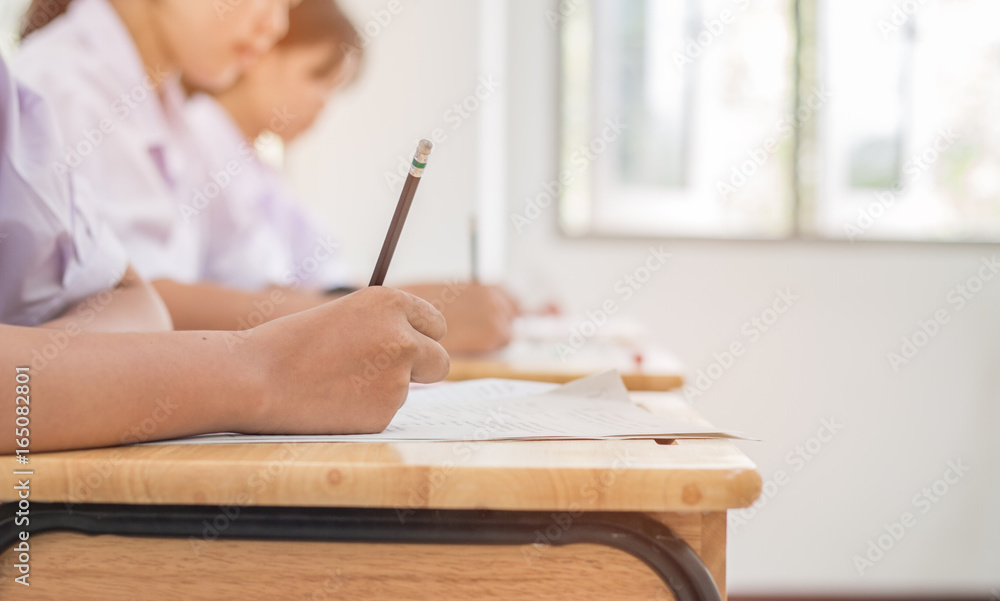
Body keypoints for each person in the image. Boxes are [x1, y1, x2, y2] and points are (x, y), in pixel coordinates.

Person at [0, 52, 450, 454]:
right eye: (317, 78)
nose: (274, 26)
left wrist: (64, 376)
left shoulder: (30, 103)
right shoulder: (68, 85)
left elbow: (137, 299)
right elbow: (160, 298)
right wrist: (268, 371)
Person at [17, 0, 517, 353]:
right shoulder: (63, 87)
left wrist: (362, 313)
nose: (277, 25)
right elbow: (136, 301)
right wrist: (357, 317)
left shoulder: (166, 111)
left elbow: (238, 284)